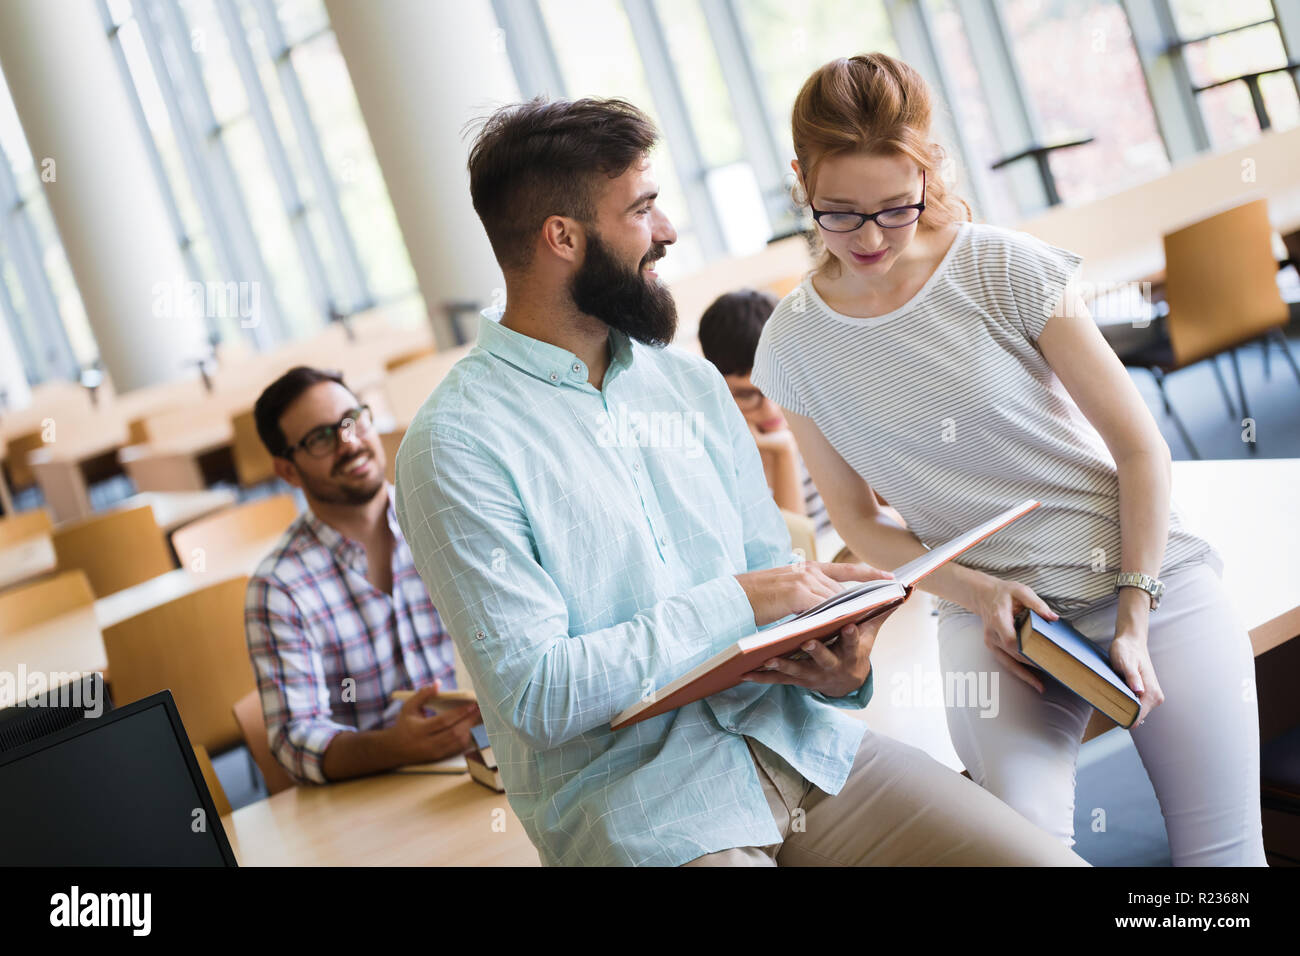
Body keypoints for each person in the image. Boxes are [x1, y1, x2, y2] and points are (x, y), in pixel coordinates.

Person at [393, 95, 1086, 867]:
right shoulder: (454, 447)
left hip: (804, 749)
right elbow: (537, 697)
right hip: (649, 810)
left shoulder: (688, 388)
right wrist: (744, 601)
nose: (667, 231)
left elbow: (780, 581)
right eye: (643, 209)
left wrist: (837, 660)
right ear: (563, 237)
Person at [749, 53, 1265, 865]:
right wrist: (975, 589)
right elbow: (856, 520)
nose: (873, 237)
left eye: (896, 207)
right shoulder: (793, 343)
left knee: (1221, 866)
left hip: (1140, 579)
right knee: (1021, 858)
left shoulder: (1001, 268)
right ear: (800, 180)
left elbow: (1139, 448)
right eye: (840, 213)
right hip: (993, 623)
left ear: (930, 170)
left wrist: (1134, 611)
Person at [244, 366, 480, 785]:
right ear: (288, 472)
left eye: (352, 420)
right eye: (320, 438)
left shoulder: (447, 511)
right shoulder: (279, 589)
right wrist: (394, 746)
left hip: (493, 758)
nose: (348, 442)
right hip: (379, 795)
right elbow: (296, 739)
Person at [698, 288, 903, 537]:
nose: (771, 409)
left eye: (779, 386)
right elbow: (791, 551)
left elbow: (892, 512)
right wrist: (783, 451)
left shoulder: (827, 423)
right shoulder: (726, 465)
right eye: (746, 395)